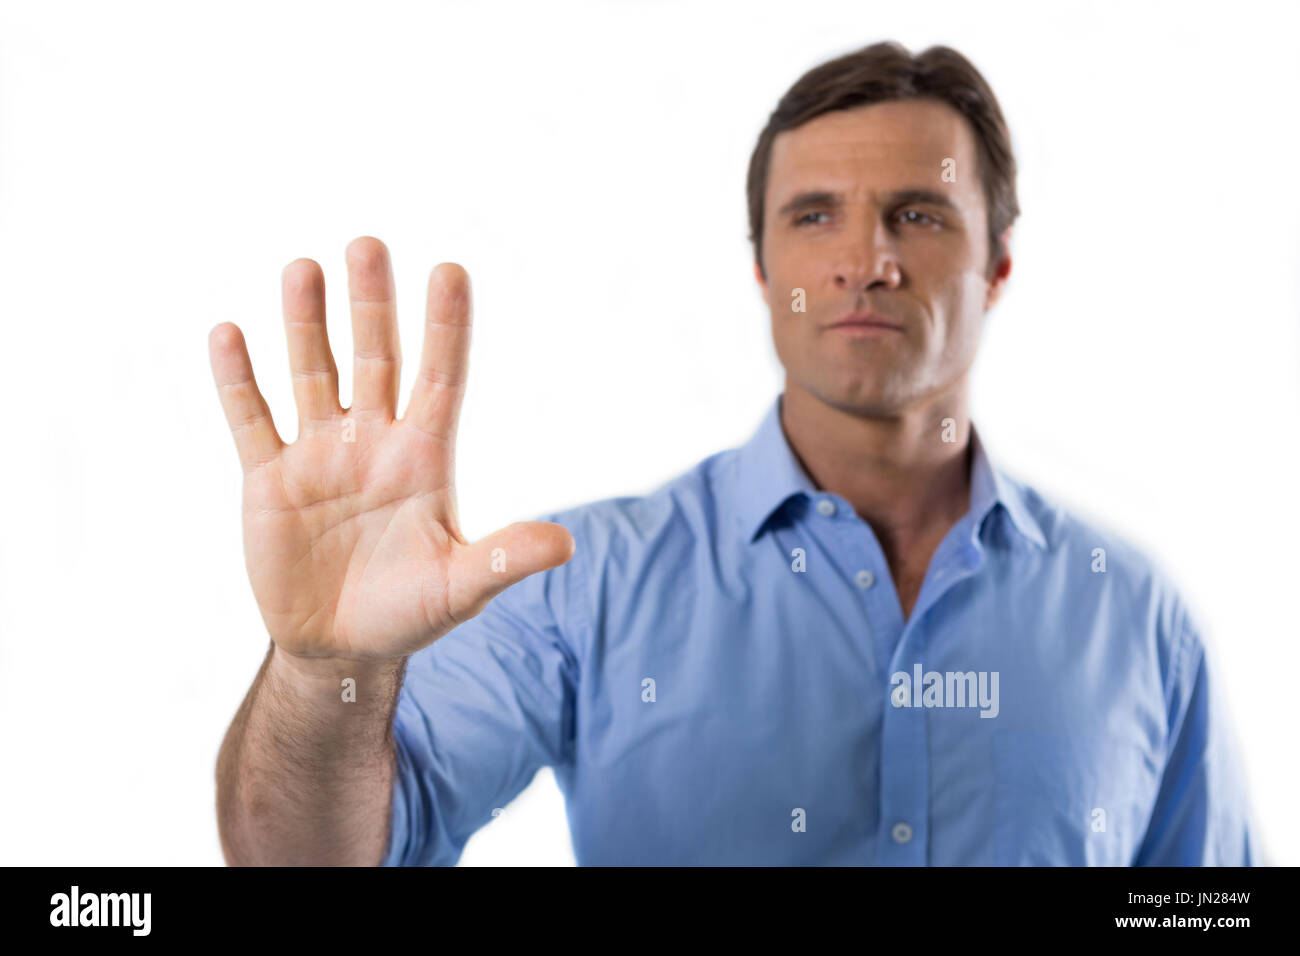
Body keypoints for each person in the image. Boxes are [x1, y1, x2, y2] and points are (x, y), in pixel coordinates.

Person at [210, 41, 1257, 865]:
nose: (866, 261)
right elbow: (308, 860)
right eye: (814, 216)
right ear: (763, 270)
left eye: (917, 213)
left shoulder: (1137, 618)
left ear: (996, 267)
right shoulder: (585, 583)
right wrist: (323, 672)